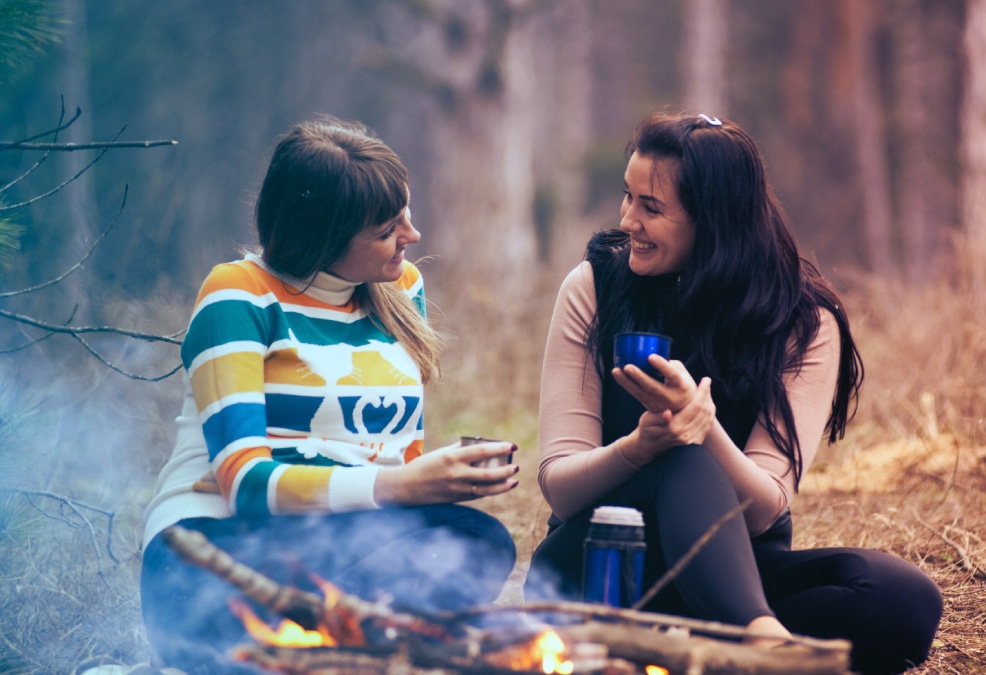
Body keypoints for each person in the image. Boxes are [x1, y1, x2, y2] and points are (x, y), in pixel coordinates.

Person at [526, 112, 943, 675]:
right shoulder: (594, 287)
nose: (628, 221)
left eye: (651, 207)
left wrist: (706, 429)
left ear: (714, 221)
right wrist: (639, 448)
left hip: (729, 572)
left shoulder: (803, 321)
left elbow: (766, 506)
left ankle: (716, 645)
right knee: (678, 461)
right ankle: (760, 644)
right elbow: (561, 487)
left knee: (902, 598)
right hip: (598, 568)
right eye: (628, 198)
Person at [140, 116, 519, 674]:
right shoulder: (239, 294)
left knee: (477, 539)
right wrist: (402, 486)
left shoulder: (399, 288)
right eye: (389, 229)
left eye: (406, 216)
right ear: (323, 236)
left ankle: (336, 650)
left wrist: (434, 483)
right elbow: (245, 485)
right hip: (216, 550)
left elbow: (398, 452)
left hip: (333, 546)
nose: (411, 238)